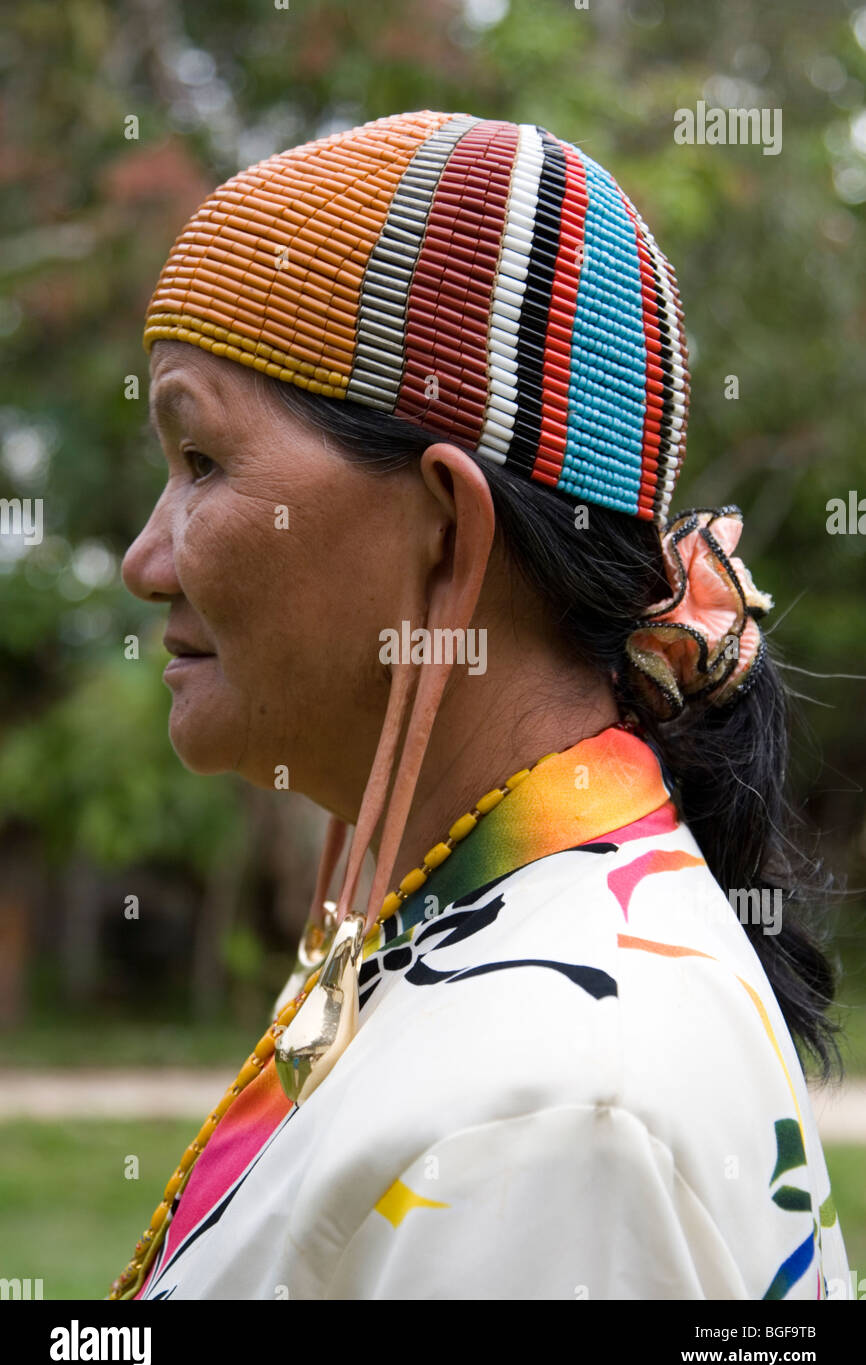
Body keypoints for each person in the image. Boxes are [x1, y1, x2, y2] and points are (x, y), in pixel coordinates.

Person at [115, 110, 848, 1300]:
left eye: (201, 462)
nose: (148, 557)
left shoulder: (546, 1118)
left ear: (447, 535)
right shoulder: (516, 958)